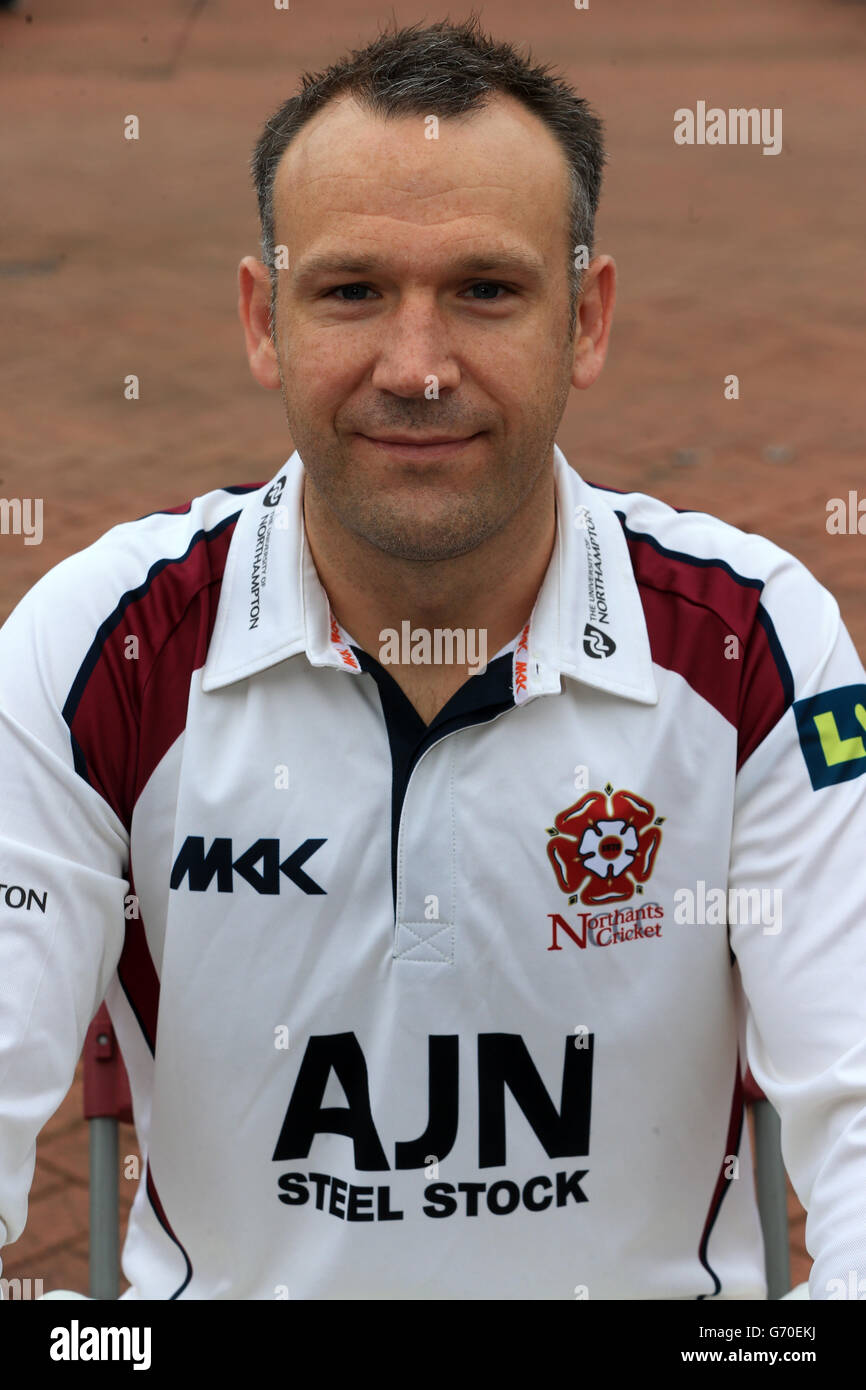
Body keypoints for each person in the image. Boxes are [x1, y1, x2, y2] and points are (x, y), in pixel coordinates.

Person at [1, 16, 864, 1301]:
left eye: (485, 290)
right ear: (262, 319)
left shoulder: (752, 643)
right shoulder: (99, 646)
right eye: (350, 292)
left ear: (585, 316)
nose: (415, 369)